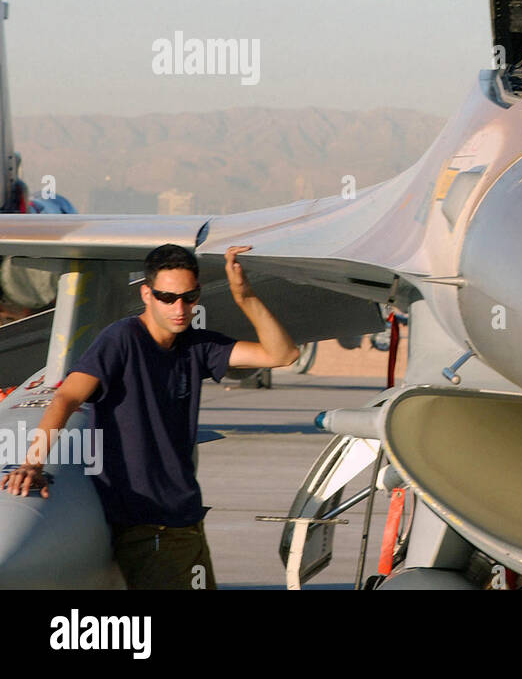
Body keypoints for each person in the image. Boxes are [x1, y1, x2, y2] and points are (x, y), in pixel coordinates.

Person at [0, 243, 299, 589]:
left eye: (189, 297)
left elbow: (284, 354)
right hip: (151, 528)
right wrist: (32, 464)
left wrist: (244, 296)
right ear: (146, 293)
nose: (179, 308)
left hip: (182, 521)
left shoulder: (196, 347)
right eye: (167, 297)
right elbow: (66, 396)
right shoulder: (121, 340)